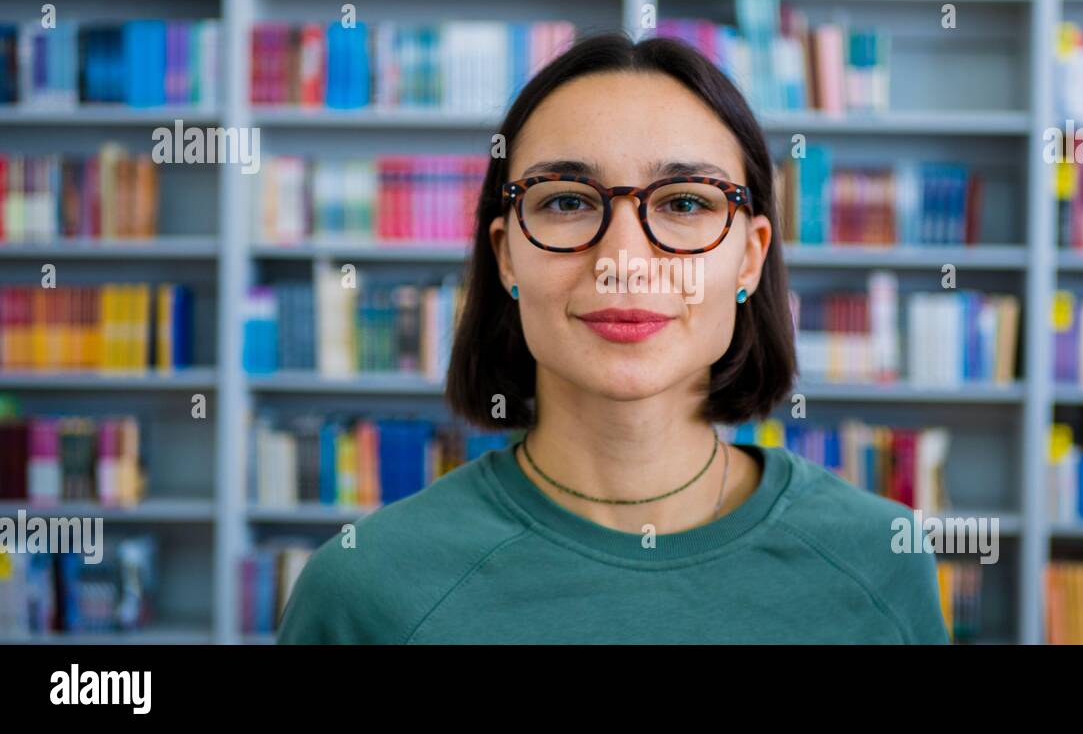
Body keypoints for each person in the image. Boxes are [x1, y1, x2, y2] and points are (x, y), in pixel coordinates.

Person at [277, 32, 949, 644]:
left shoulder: (880, 564)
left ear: (750, 257)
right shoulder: (363, 592)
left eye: (685, 202)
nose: (623, 259)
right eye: (566, 200)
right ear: (507, 256)